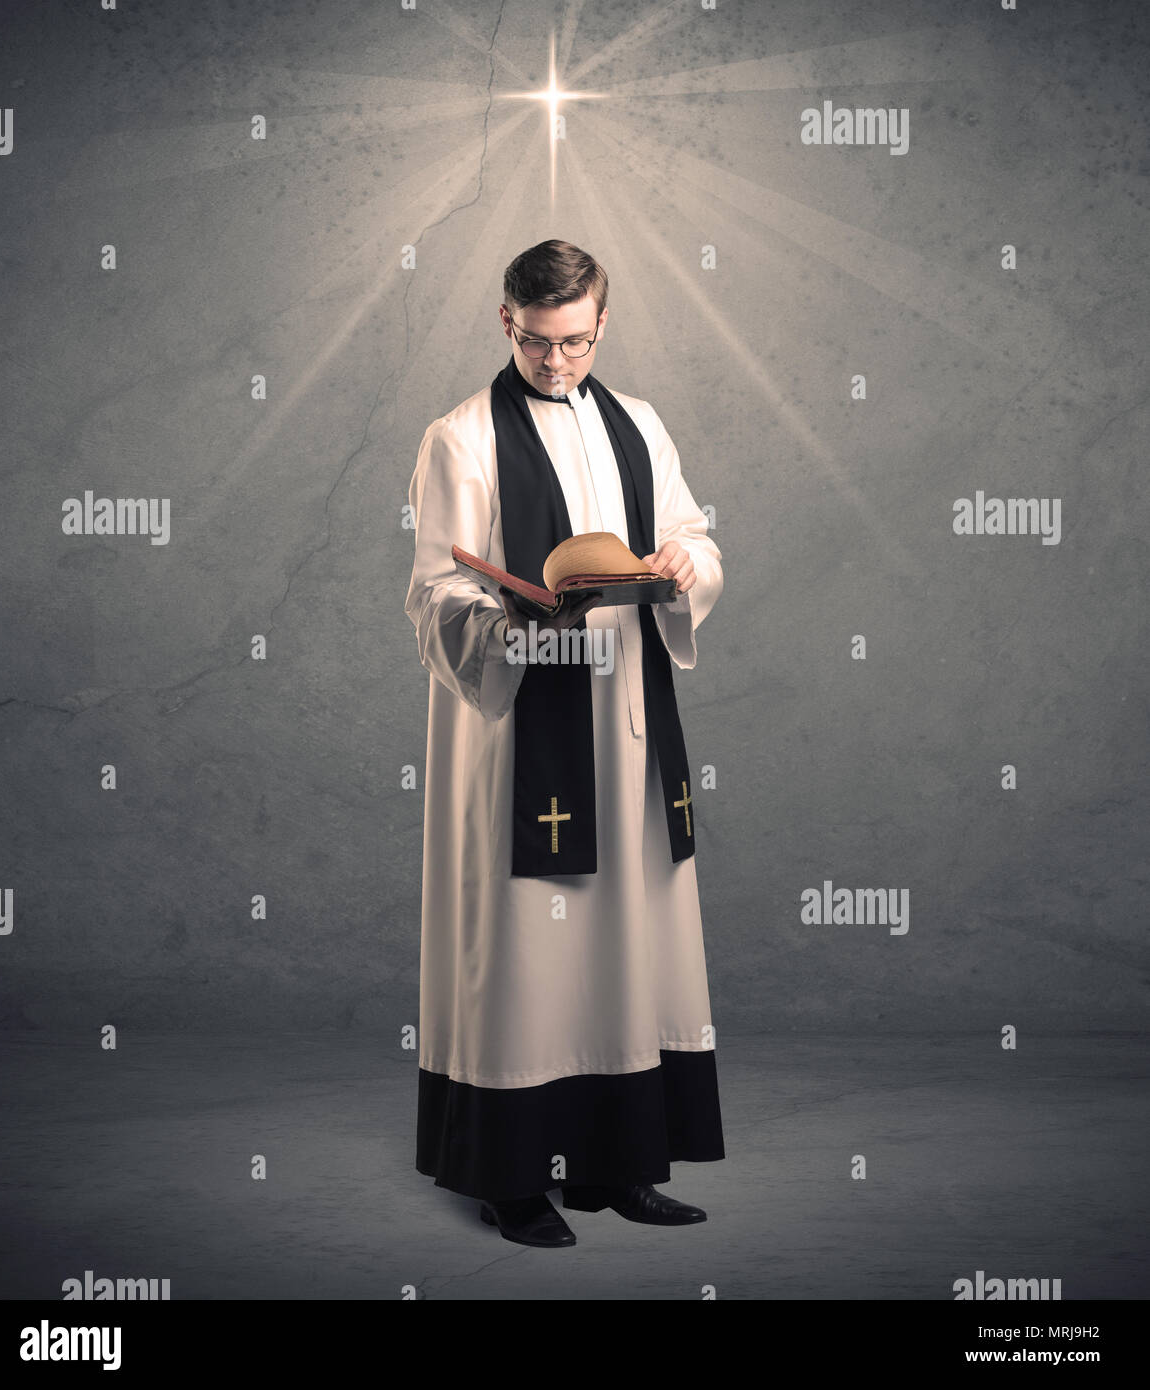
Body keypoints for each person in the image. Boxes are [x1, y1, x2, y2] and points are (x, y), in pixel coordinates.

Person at [404, 239, 724, 1248]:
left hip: (624, 720)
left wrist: (682, 560)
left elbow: (695, 539)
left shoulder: (640, 423)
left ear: (601, 324)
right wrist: (507, 627)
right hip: (521, 732)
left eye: (576, 342)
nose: (557, 364)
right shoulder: (459, 440)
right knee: (527, 953)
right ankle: (512, 1179)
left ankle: (621, 1165)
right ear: (507, 322)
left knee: (625, 942)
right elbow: (436, 592)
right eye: (539, 343)